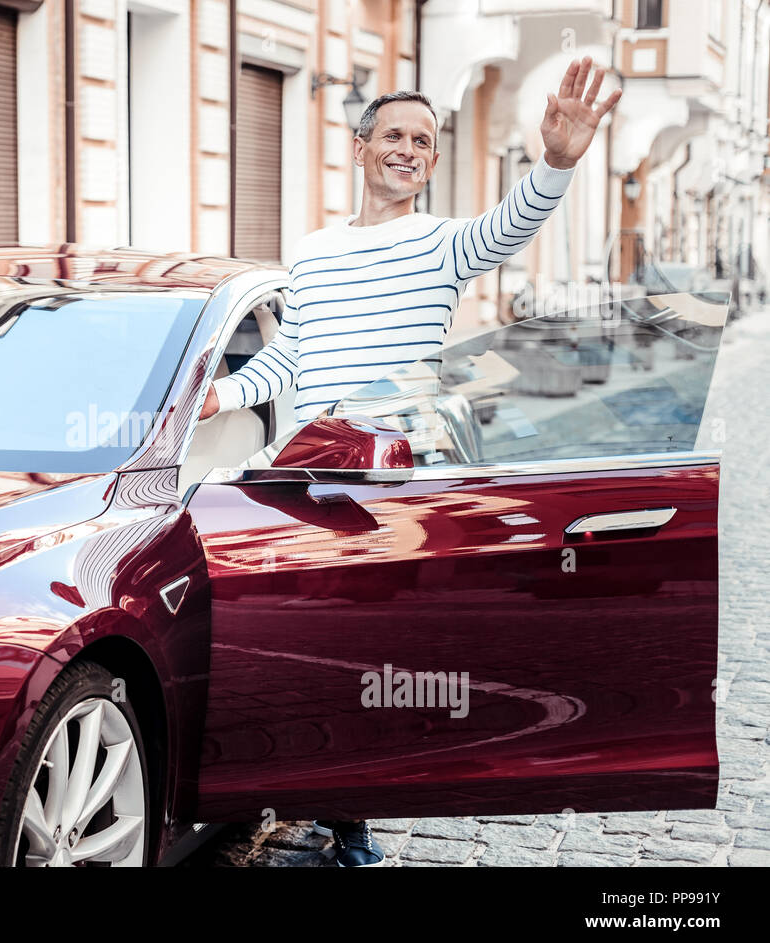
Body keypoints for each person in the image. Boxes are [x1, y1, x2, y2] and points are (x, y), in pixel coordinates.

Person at [198, 56, 622, 867]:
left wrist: (559, 161)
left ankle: (347, 823)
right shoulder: (315, 250)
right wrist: (217, 398)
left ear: (431, 159)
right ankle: (328, 811)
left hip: (395, 476)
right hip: (311, 473)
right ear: (360, 147)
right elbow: (290, 355)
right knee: (314, 646)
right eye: (394, 135)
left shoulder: (440, 245)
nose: (408, 150)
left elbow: (510, 225)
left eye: (423, 141)